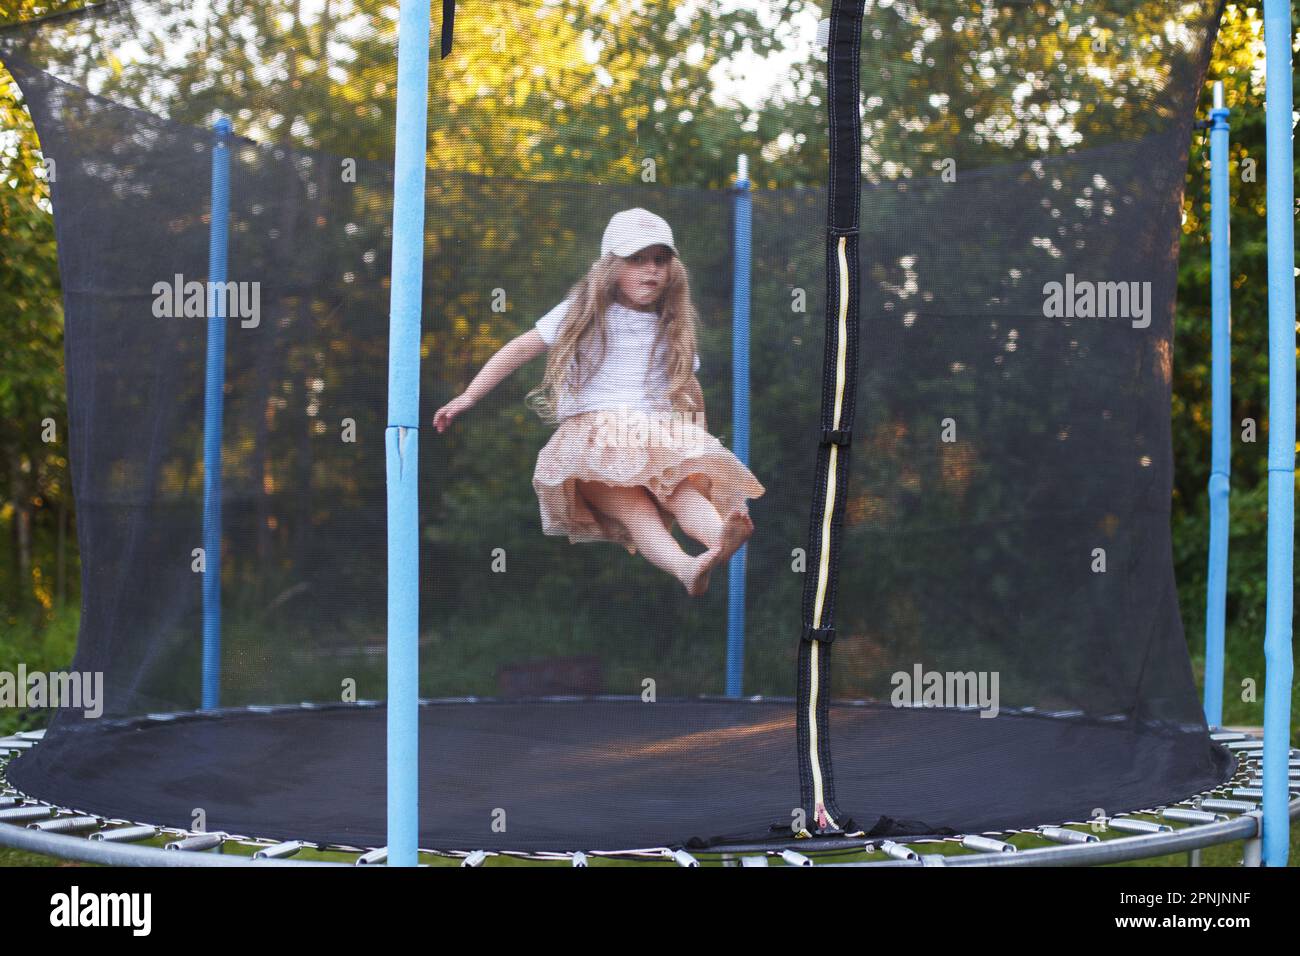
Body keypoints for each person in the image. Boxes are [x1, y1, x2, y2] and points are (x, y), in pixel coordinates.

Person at [434, 208, 763, 596]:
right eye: (636, 259)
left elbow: (689, 387)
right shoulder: (585, 313)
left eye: (660, 260)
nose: (651, 270)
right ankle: (689, 562)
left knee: (680, 494)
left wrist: (696, 443)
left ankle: (713, 542)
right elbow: (519, 349)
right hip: (593, 441)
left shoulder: (671, 326)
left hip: (650, 438)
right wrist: (470, 395)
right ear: (610, 267)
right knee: (638, 513)